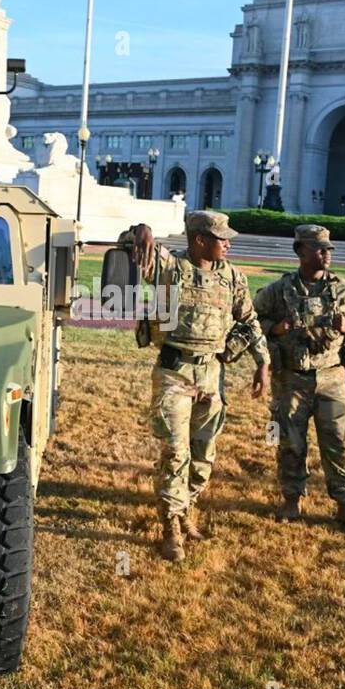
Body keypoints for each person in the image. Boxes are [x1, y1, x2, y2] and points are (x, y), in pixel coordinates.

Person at [126, 212, 270, 562]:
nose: (228, 243)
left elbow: (249, 320)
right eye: (221, 238)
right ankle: (171, 525)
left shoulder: (232, 276)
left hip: (211, 376)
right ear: (199, 239)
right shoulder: (169, 269)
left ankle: (186, 506)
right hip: (175, 373)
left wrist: (263, 362)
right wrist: (138, 231)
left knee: (203, 456)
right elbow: (132, 248)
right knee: (176, 452)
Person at [254, 225, 345, 535]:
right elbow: (251, 320)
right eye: (319, 248)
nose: (326, 254)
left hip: (332, 377)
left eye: (328, 249)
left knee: (339, 442)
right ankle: (292, 499)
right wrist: (275, 329)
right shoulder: (278, 290)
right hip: (291, 379)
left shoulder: (344, 289)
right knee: (290, 441)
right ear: (301, 251)